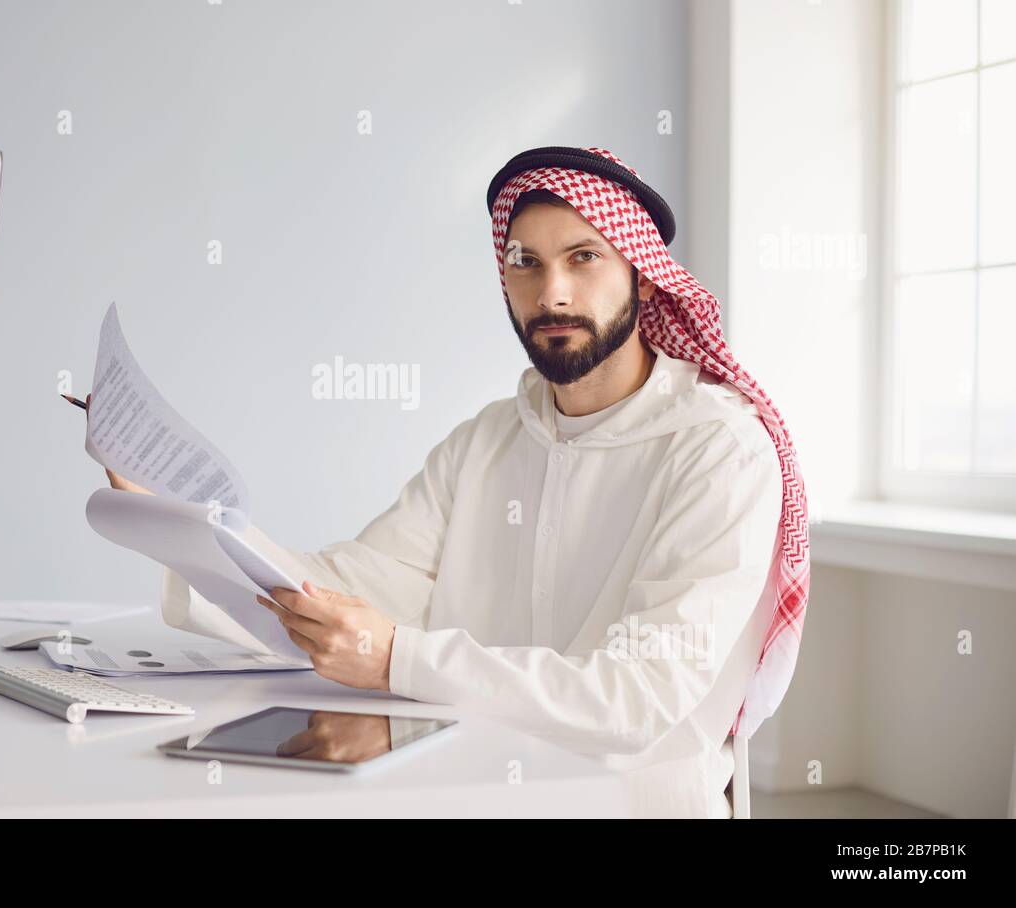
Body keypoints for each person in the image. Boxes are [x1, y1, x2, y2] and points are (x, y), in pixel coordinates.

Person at [104, 146, 809, 817]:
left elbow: (635, 699)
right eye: (525, 263)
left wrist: (396, 658)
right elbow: (357, 587)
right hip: (465, 790)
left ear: (646, 275)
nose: (551, 291)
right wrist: (187, 524)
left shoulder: (720, 451)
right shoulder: (490, 439)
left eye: (584, 257)